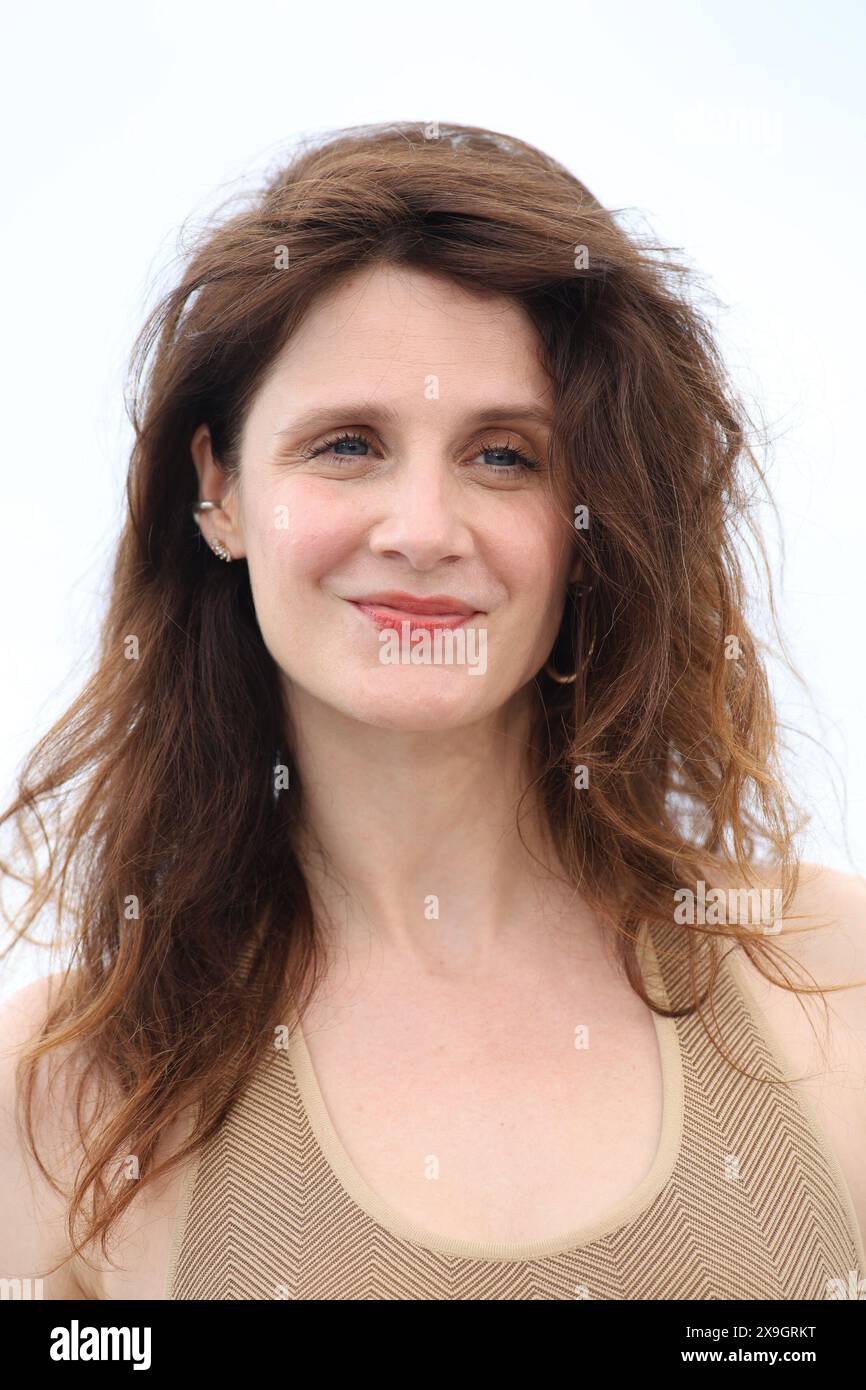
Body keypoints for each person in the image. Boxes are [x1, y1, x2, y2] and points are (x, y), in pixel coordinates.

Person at [1, 121, 864, 1301]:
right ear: (218, 491)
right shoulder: (60, 1095)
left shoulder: (835, 977)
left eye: (503, 456)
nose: (420, 527)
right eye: (347, 444)